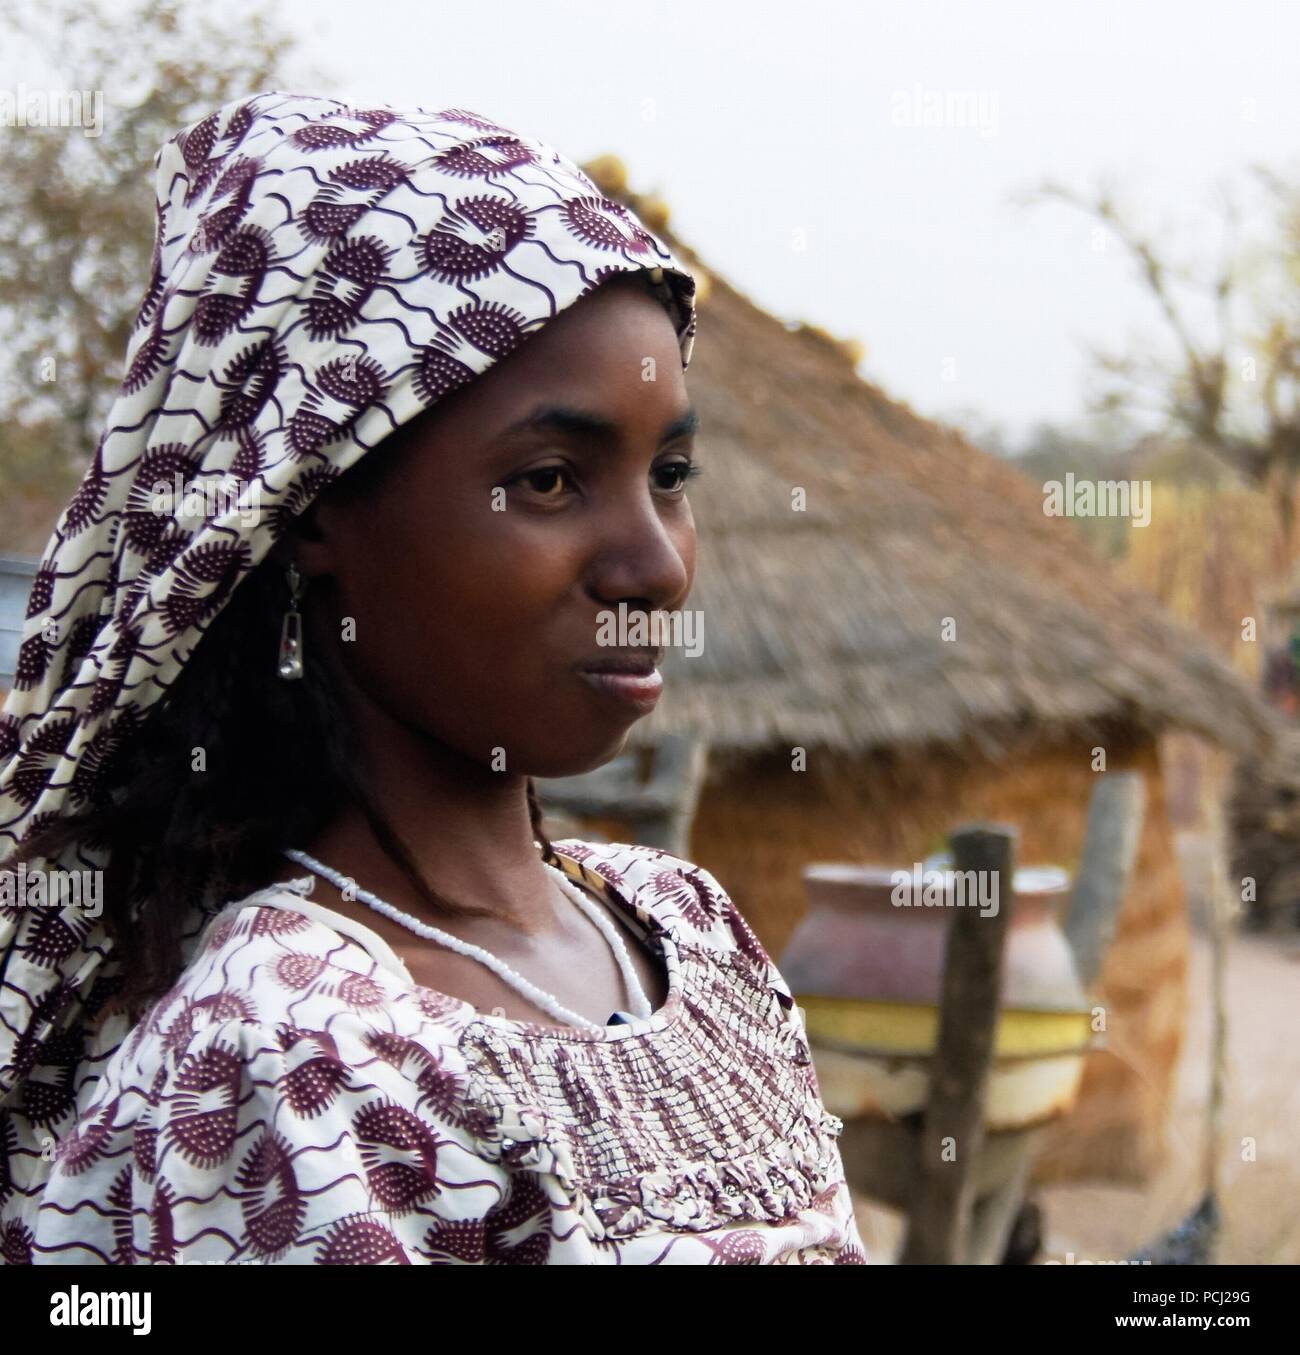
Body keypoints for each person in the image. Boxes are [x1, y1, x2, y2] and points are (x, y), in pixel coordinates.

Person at [0, 92, 866, 1265]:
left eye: (669, 473)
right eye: (551, 480)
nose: (654, 565)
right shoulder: (285, 1057)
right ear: (309, 512)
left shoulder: (689, 932)